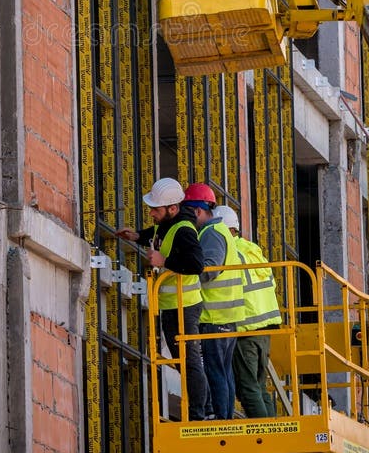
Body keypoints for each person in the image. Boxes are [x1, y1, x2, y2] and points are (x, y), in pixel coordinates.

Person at [116, 177, 210, 421]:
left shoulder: (184, 230)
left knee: (189, 362)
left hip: (184, 306)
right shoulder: (167, 224)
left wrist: (164, 262)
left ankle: (200, 414)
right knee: (183, 362)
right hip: (171, 306)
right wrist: (137, 236)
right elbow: (157, 234)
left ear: (172, 208)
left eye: (155, 210)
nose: (151, 213)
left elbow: (196, 264)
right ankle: (201, 409)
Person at [181, 183, 245, 420]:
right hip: (227, 318)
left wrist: (181, 266)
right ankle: (225, 417)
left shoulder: (211, 234)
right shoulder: (219, 232)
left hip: (216, 318)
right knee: (223, 372)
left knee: (216, 372)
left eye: (188, 214)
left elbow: (209, 268)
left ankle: (222, 419)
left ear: (197, 211)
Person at [216, 205, 282, 418]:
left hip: (246, 327)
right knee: (259, 385)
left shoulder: (228, 251)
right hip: (264, 328)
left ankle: (267, 436)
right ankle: (274, 431)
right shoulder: (252, 250)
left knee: (247, 387)